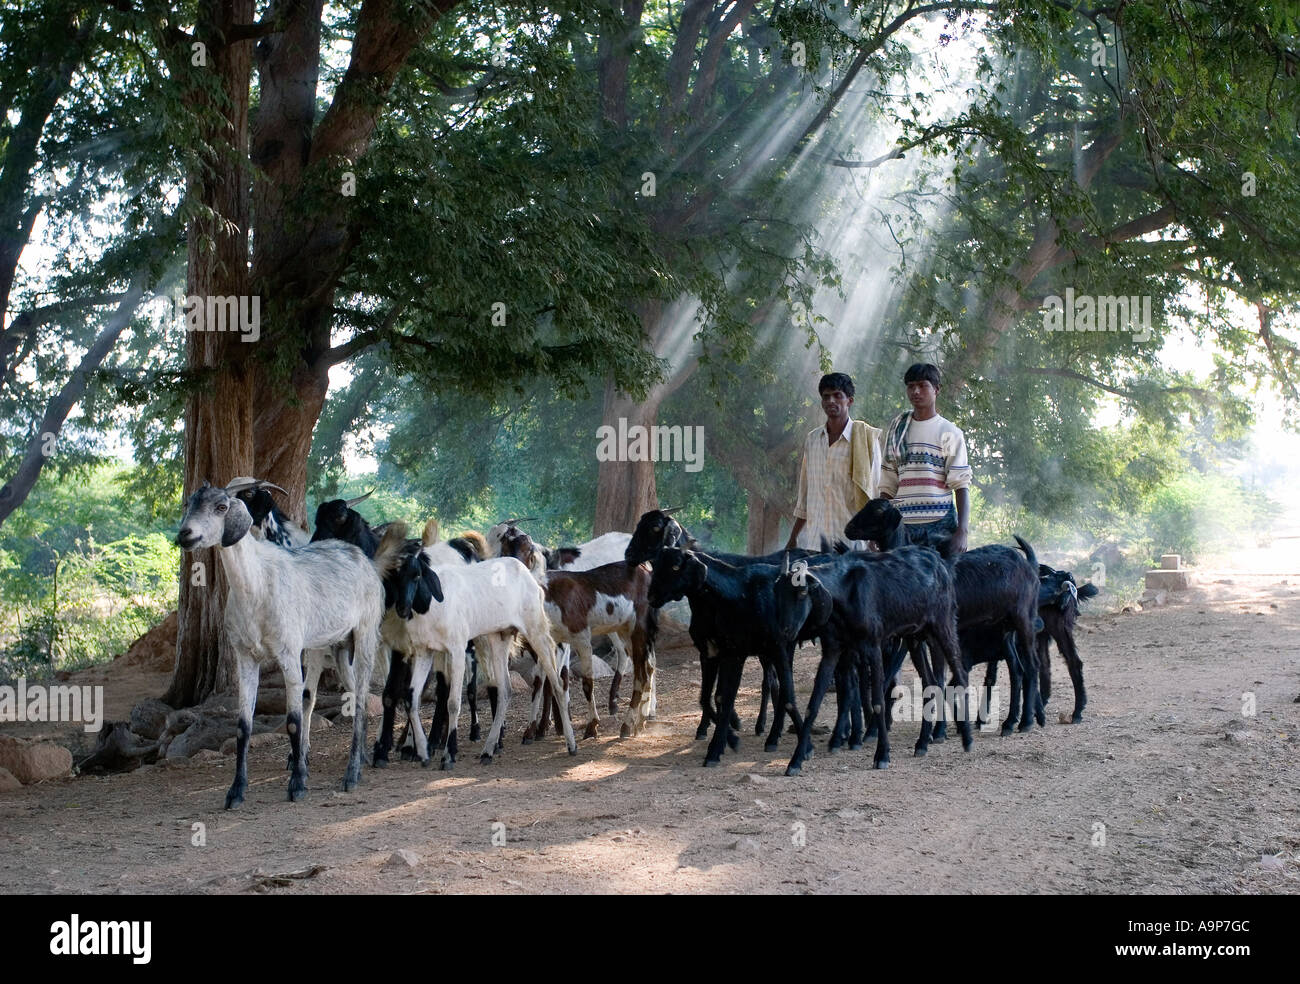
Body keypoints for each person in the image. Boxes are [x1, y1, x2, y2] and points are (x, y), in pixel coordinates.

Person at [879, 362, 972, 554]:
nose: (916, 391)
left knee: (941, 582)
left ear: (936, 389)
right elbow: (888, 484)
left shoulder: (948, 433)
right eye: (911, 386)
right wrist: (881, 528)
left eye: (923, 385)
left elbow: (960, 483)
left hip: (940, 526)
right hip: (902, 527)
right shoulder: (898, 431)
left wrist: (962, 531)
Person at [785, 372, 882, 551]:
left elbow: (874, 492)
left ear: (849, 401)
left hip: (851, 545)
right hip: (814, 542)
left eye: (838, 395)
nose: (831, 401)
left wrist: (873, 539)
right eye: (826, 397)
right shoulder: (812, 440)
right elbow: (805, 494)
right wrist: (793, 538)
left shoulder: (865, 439)